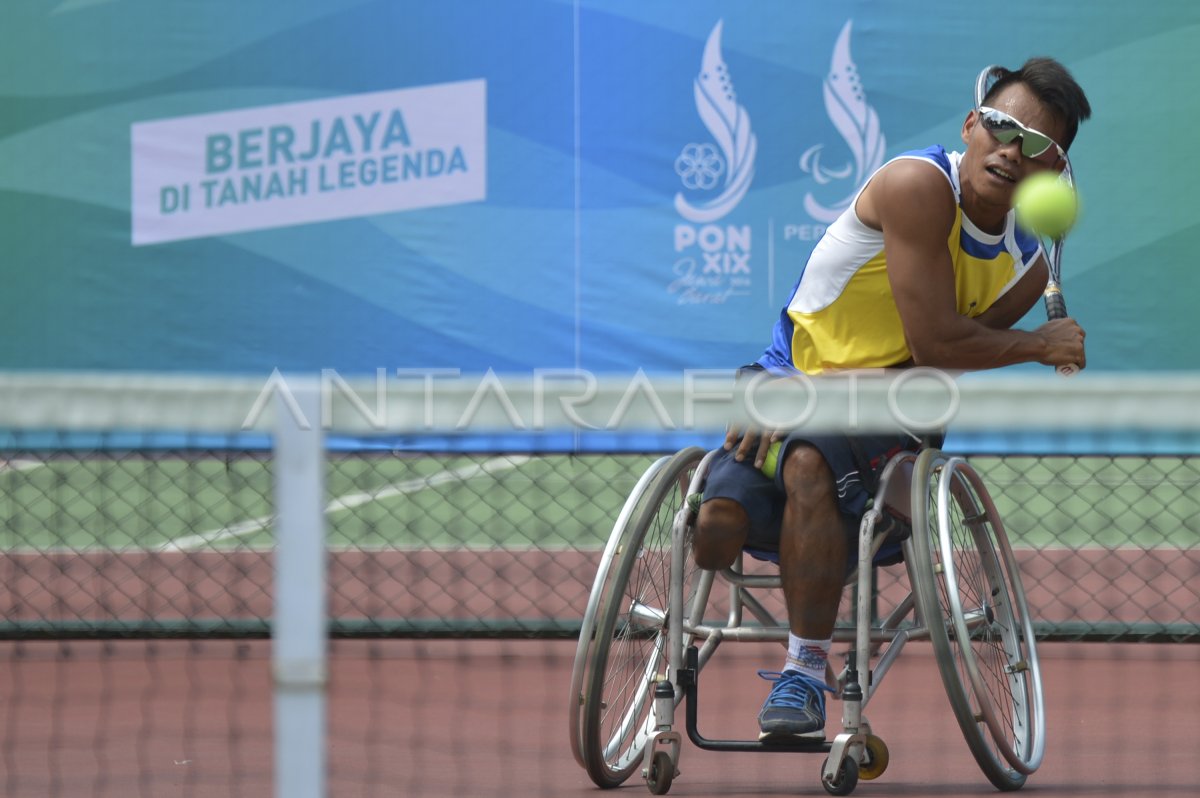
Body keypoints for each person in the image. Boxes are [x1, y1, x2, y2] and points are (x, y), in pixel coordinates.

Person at [693, 57, 1091, 742]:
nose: (1009, 149)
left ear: (1051, 170)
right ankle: (805, 552)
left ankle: (803, 671)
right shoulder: (916, 185)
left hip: (888, 412)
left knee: (810, 465)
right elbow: (942, 342)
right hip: (790, 378)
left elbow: (937, 366)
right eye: (1000, 125)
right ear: (971, 125)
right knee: (713, 530)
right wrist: (1039, 346)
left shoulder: (1026, 267)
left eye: (1035, 144)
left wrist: (841, 397)